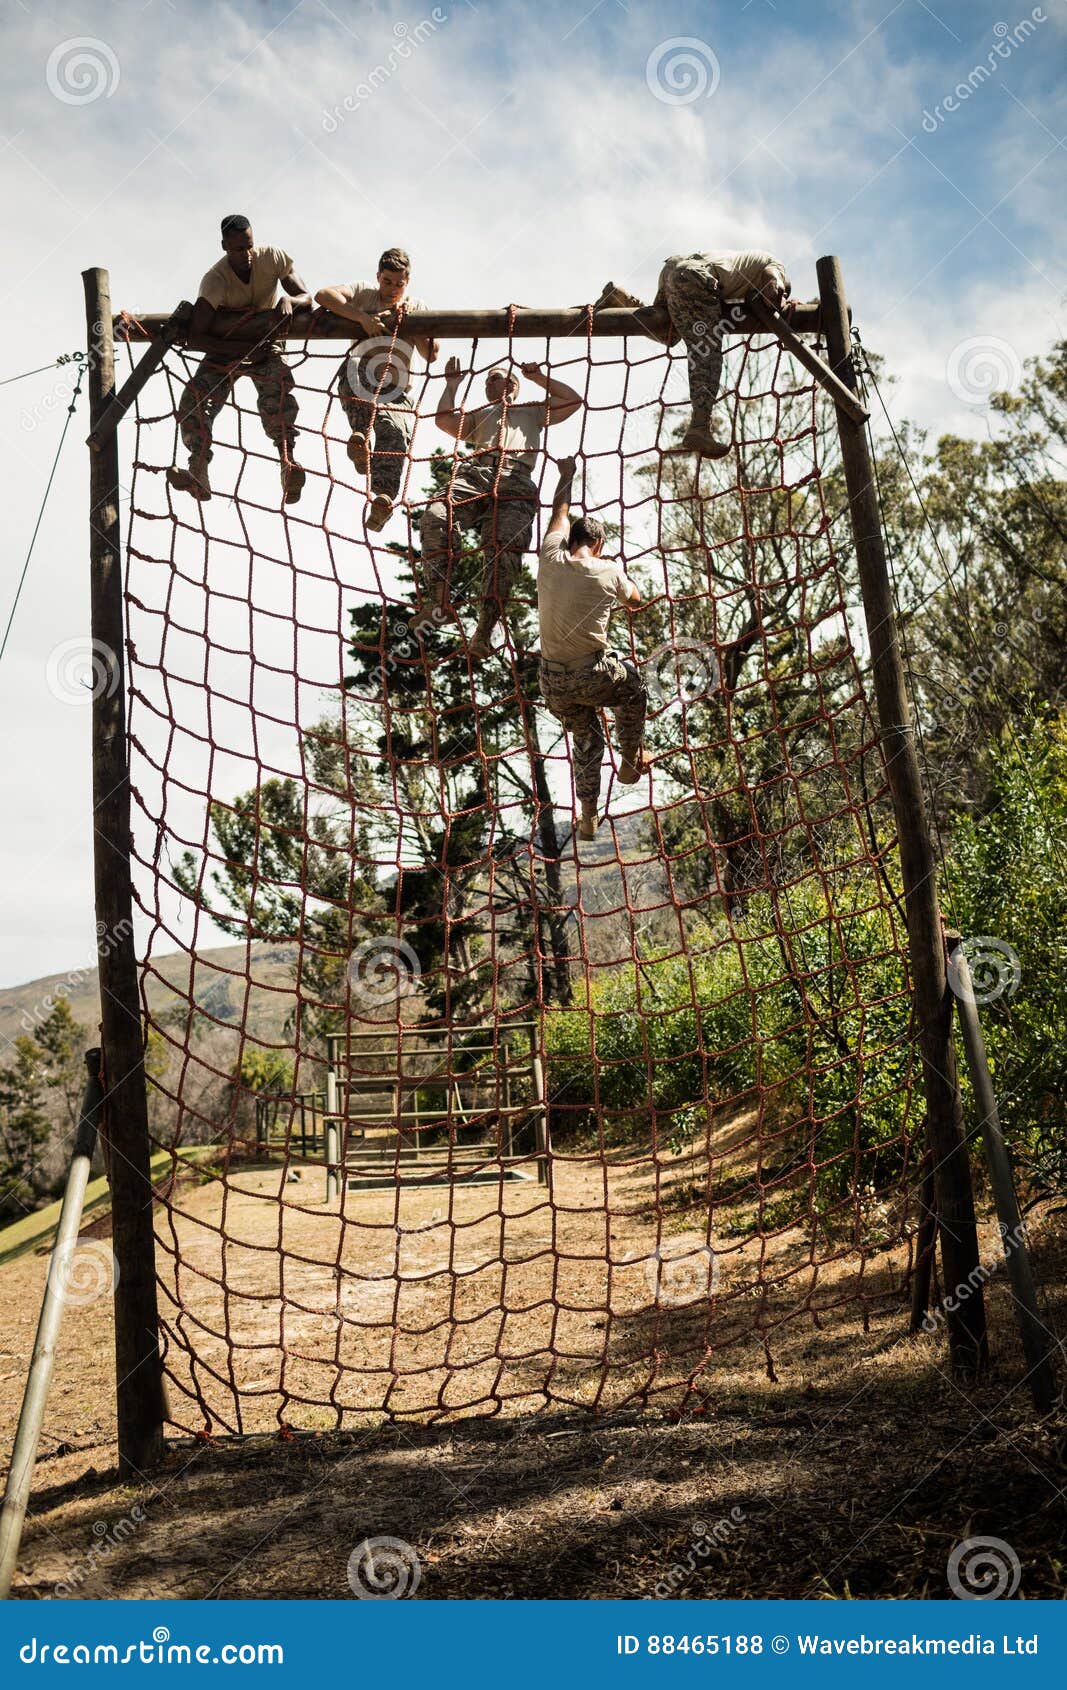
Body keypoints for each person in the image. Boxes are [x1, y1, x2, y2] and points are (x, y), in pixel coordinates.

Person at [421, 360, 582, 658]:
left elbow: (572, 400)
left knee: (504, 551)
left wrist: (538, 377)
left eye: (493, 379)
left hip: (516, 480)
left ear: (511, 385)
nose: (487, 384)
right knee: (435, 516)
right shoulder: (480, 415)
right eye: (485, 381)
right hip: (476, 475)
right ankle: (438, 599)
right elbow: (443, 420)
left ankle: (483, 632)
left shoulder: (532, 411)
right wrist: (452, 385)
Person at [537, 457, 651, 841]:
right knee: (635, 687)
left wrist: (566, 476)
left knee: (587, 740)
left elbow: (559, 513)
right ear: (598, 545)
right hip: (591, 674)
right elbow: (636, 600)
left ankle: (587, 816)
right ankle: (631, 759)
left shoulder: (550, 557)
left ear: (569, 541)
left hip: (552, 683)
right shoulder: (609, 569)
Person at [168, 215, 312, 504]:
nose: (246, 255)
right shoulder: (215, 280)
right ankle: (198, 468)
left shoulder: (272, 258)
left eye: (249, 246)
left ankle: (288, 464)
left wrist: (288, 301)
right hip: (226, 347)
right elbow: (196, 335)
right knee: (194, 399)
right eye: (237, 249)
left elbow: (307, 297)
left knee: (277, 389)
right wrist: (237, 351)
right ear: (224, 247)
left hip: (266, 344)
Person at [608, 251, 790, 458]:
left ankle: (620, 298)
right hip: (695, 277)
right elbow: (773, 280)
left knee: (668, 333)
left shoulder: (745, 263)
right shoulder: (776, 267)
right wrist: (777, 292)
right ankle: (699, 427)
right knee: (706, 349)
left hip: (676, 267)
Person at [314, 248, 438, 532]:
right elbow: (323, 296)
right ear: (378, 277)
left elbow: (432, 354)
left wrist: (412, 323)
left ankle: (383, 500)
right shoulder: (363, 293)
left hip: (398, 390)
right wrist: (361, 318)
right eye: (387, 282)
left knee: (394, 436)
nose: (393, 289)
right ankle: (361, 439)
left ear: (408, 281)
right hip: (362, 378)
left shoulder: (416, 305)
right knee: (356, 369)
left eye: (400, 283)